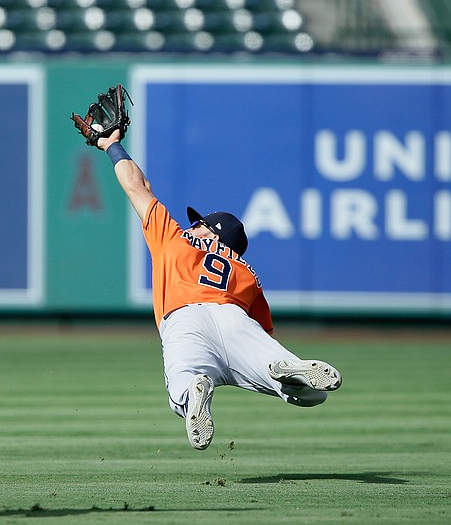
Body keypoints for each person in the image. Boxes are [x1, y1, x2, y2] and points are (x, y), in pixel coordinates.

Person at [94, 129, 342, 451]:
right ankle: (282, 369)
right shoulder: (248, 273)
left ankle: (194, 391)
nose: (192, 225)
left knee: (180, 390)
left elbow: (137, 185)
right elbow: (262, 330)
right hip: (235, 320)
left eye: (199, 223)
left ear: (212, 234)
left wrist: (112, 145)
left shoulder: (174, 238)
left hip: (185, 321)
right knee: (313, 394)